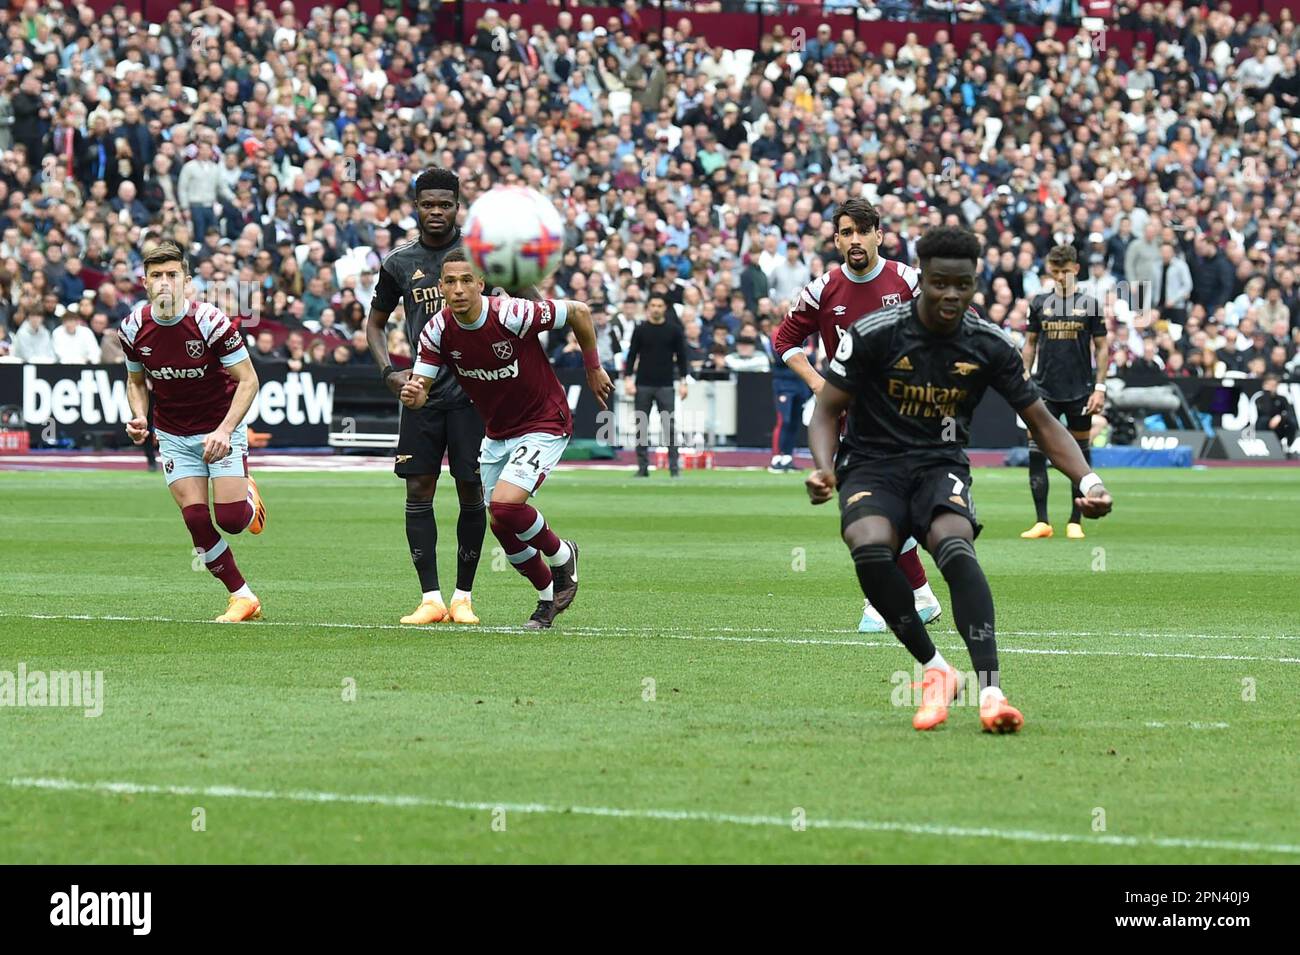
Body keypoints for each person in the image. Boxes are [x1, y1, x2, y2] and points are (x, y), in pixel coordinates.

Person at [805, 227, 1113, 733]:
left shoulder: (989, 344)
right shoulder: (874, 332)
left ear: (976, 284)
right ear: (921, 279)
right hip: (871, 463)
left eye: (963, 285)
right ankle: (936, 670)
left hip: (938, 464)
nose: (951, 295)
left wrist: (1088, 480)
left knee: (954, 545)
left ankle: (991, 690)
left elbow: (1041, 421)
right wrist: (823, 466)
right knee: (869, 545)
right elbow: (826, 409)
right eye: (941, 283)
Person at [400, 251, 614, 629]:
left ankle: (564, 555)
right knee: (500, 523)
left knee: (505, 507)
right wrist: (414, 394)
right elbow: (422, 388)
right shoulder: (436, 330)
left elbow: (579, 311)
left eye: (467, 280)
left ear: (481, 283)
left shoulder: (511, 314)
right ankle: (547, 598)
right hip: (498, 432)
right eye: (450, 282)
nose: (459, 289)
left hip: (544, 420)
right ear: (441, 288)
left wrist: (593, 367)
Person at [772, 196, 945, 634]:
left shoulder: (907, 280)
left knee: (874, 507)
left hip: (904, 414)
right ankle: (919, 595)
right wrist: (818, 384)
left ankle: (880, 600)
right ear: (836, 239)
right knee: (870, 507)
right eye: (846, 232)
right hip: (851, 418)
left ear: (878, 236)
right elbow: (784, 342)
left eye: (862, 231)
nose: (854, 239)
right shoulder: (822, 288)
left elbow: (952, 321)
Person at [118, 240, 267, 623]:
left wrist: (225, 430)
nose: (164, 283)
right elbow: (136, 381)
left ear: (186, 282)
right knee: (197, 519)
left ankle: (248, 495)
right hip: (172, 433)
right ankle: (242, 597)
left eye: (172, 275)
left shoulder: (211, 322)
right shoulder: (133, 327)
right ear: (145, 283)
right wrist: (138, 416)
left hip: (220, 427)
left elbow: (248, 380)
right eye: (156, 276)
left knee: (232, 520)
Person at [367, 168, 488, 626]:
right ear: (415, 207)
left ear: (458, 207)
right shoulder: (399, 262)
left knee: (470, 489)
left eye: (445, 204)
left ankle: (464, 597)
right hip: (421, 395)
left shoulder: (481, 258)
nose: (436, 212)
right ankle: (431, 598)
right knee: (419, 490)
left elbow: (529, 302)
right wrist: (388, 374)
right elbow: (375, 323)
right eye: (427, 205)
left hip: (476, 395)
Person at [1019, 244, 1109, 540]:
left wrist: (1100, 387)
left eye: (1065, 272)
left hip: (1080, 390)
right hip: (1044, 389)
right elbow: (1030, 343)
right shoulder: (1039, 303)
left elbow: (1102, 347)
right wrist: (1024, 376)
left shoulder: (1091, 304)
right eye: (1055, 272)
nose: (1060, 277)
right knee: (1036, 454)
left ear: (1076, 270)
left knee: (1080, 455)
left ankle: (1075, 520)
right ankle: (1042, 521)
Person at [624, 292, 690, 478]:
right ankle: (642, 468)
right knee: (641, 428)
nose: (656, 309)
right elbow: (631, 356)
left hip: (666, 385)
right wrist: (628, 379)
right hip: (643, 384)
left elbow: (682, 358)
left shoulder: (674, 330)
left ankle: (674, 469)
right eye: (653, 305)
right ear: (648, 307)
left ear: (665, 308)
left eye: (659, 306)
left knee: (669, 427)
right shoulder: (641, 329)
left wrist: (684, 381)